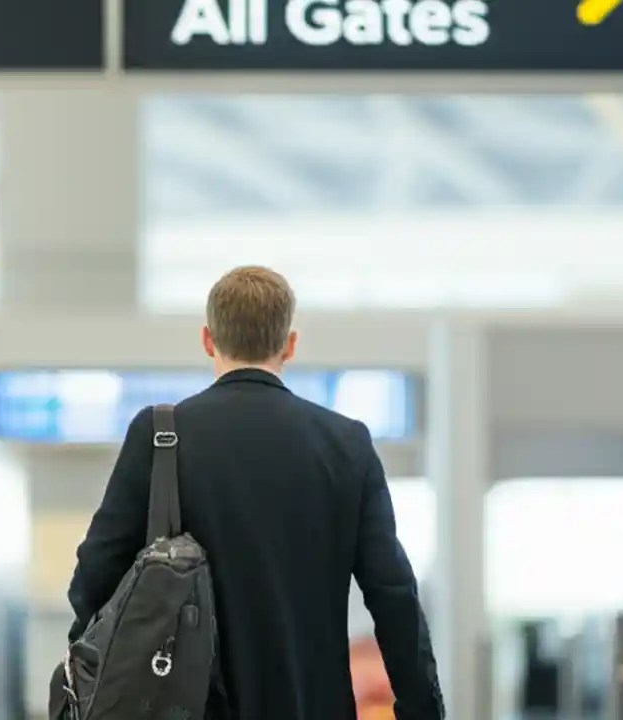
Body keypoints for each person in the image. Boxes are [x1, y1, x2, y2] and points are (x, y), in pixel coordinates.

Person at [66, 266, 444, 720]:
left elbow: (95, 575)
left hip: (187, 705)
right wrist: (422, 708)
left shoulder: (160, 436)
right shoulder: (347, 444)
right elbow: (393, 595)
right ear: (289, 344)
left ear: (208, 339)